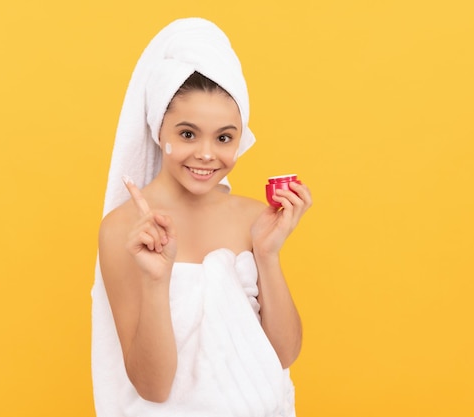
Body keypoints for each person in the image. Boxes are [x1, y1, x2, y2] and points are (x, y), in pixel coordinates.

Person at [92, 18, 312, 417]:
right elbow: (153, 388)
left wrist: (268, 256)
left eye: (224, 137)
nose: (208, 155)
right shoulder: (125, 231)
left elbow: (283, 355)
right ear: (160, 130)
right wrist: (157, 280)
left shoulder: (253, 218)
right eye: (189, 134)